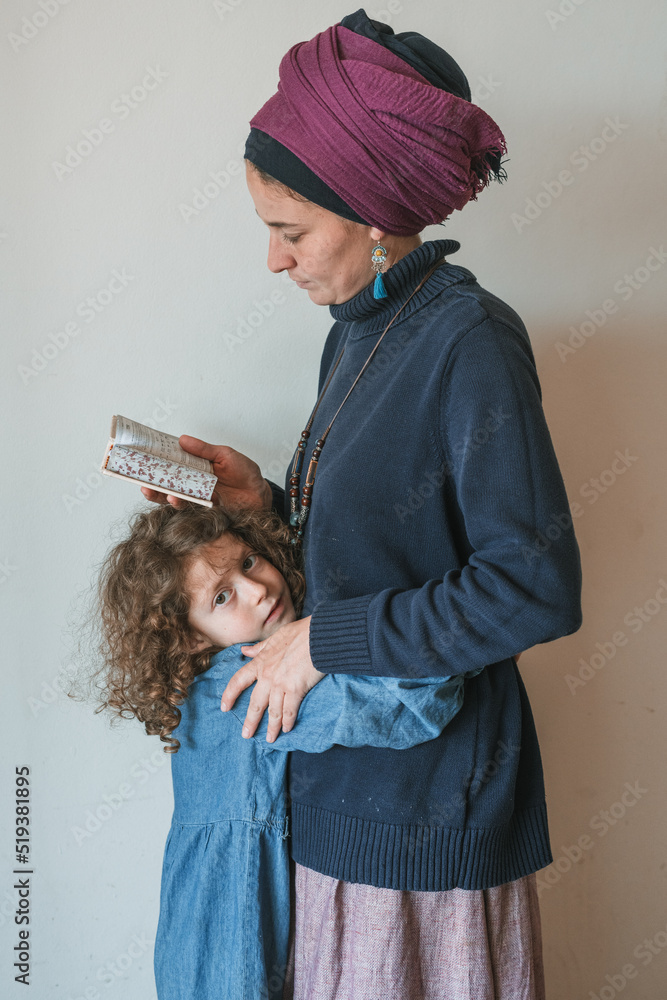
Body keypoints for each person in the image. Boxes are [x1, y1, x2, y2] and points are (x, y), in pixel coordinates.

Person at [142, 10, 583, 998]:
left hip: (427, 820)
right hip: (337, 802)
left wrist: (324, 641)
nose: (274, 260)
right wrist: (265, 501)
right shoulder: (354, 333)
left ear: (374, 217)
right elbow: (382, 550)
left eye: (288, 231)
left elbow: (533, 588)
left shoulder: (468, 339)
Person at [89, 501, 479, 999]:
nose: (257, 590)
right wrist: (471, 626)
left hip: (193, 935)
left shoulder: (202, 679)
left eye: (249, 561)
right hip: (229, 945)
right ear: (187, 638)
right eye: (223, 596)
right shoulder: (246, 683)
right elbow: (414, 705)